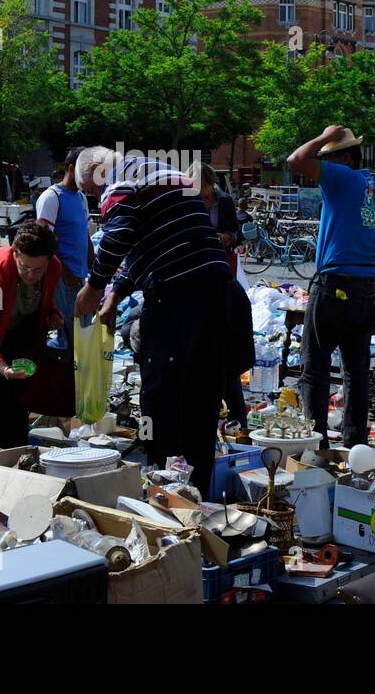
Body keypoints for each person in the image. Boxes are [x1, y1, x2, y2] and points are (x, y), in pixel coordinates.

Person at [73, 146, 252, 498]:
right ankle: (197, 489)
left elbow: (120, 233)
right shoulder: (158, 170)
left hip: (176, 292)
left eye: (91, 190)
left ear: (95, 169)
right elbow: (147, 241)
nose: (98, 198)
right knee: (202, 390)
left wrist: (94, 287)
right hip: (216, 287)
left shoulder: (118, 176)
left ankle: (159, 478)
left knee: (158, 392)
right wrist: (115, 294)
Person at [287, 126, 375, 446]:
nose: (323, 164)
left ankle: (315, 444)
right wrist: (372, 286)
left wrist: (320, 136)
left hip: (334, 285)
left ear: (344, 158)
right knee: (356, 373)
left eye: (329, 157)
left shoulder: (340, 178)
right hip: (363, 290)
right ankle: (354, 443)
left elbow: (296, 159)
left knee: (314, 368)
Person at [0, 221, 71, 447]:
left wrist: (53, 315)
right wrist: (2, 367)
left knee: (20, 398)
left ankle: (17, 450)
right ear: (15, 254)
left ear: (48, 261)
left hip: (18, 327)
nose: (30, 274)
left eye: (38, 269)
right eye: (24, 267)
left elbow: (43, 302)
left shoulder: (54, 269)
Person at [188, 161, 246, 426]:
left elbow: (236, 234)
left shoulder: (224, 202)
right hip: (196, 272)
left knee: (221, 355)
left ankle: (234, 416)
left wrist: (226, 237)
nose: (204, 196)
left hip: (220, 268)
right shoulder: (186, 201)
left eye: (206, 192)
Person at [35, 148, 93, 351]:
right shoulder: (51, 197)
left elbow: (85, 236)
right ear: (70, 168)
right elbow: (44, 240)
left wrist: (94, 271)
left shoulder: (81, 198)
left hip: (80, 276)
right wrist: (65, 273)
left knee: (83, 331)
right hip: (61, 277)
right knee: (69, 333)